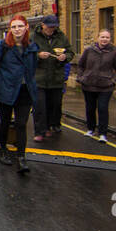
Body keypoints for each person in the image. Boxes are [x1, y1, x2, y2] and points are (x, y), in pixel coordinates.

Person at [0, 14, 39, 174]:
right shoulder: (1, 46)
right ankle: (3, 149)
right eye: (14, 27)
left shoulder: (32, 47)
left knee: (21, 124)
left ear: (26, 27)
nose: (17, 29)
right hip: (5, 89)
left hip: (24, 92)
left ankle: (21, 157)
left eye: (20, 26)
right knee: (5, 122)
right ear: (10, 29)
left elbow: (33, 69)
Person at [76, 29, 116, 143]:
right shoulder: (89, 50)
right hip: (88, 85)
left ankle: (103, 133)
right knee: (90, 108)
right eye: (102, 37)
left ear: (110, 39)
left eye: (107, 37)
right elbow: (80, 65)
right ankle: (90, 129)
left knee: (103, 108)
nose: (104, 39)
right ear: (97, 38)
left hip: (106, 86)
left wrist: (113, 81)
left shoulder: (114, 52)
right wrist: (81, 77)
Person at [31, 14, 75, 143]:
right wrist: (38, 55)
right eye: (49, 27)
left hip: (56, 78)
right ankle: (39, 131)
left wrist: (65, 57)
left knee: (54, 105)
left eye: (54, 27)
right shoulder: (33, 37)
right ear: (43, 25)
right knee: (39, 106)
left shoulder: (61, 37)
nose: (51, 30)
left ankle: (49, 126)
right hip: (39, 78)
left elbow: (70, 52)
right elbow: (26, 53)